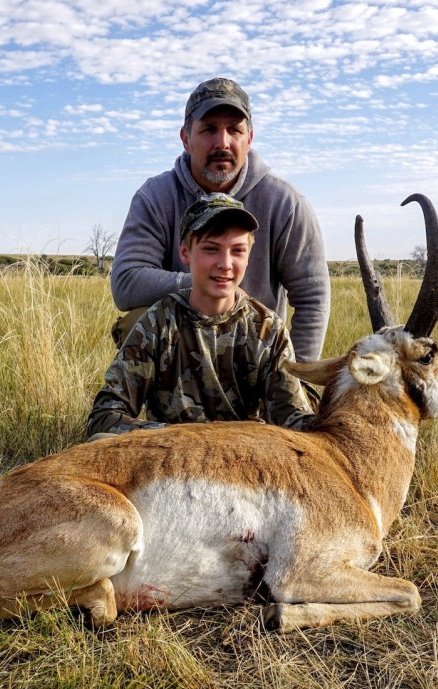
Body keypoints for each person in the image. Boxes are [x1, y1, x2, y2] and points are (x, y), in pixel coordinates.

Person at [110, 77, 330, 362]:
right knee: (135, 322)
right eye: (209, 129)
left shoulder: (286, 203)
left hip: (255, 353)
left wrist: (299, 380)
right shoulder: (154, 197)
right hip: (181, 351)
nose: (222, 142)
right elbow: (127, 282)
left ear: (249, 139)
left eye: (234, 130)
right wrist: (207, 287)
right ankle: (163, 406)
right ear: (186, 138)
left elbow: (312, 296)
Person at [87, 193, 315, 438]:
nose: (225, 263)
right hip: (171, 455)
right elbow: (104, 416)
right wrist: (182, 439)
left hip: (244, 459)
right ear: (185, 253)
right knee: (100, 440)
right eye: (211, 249)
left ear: (249, 256)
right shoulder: (158, 323)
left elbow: (293, 420)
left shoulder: (268, 329)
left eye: (237, 250)